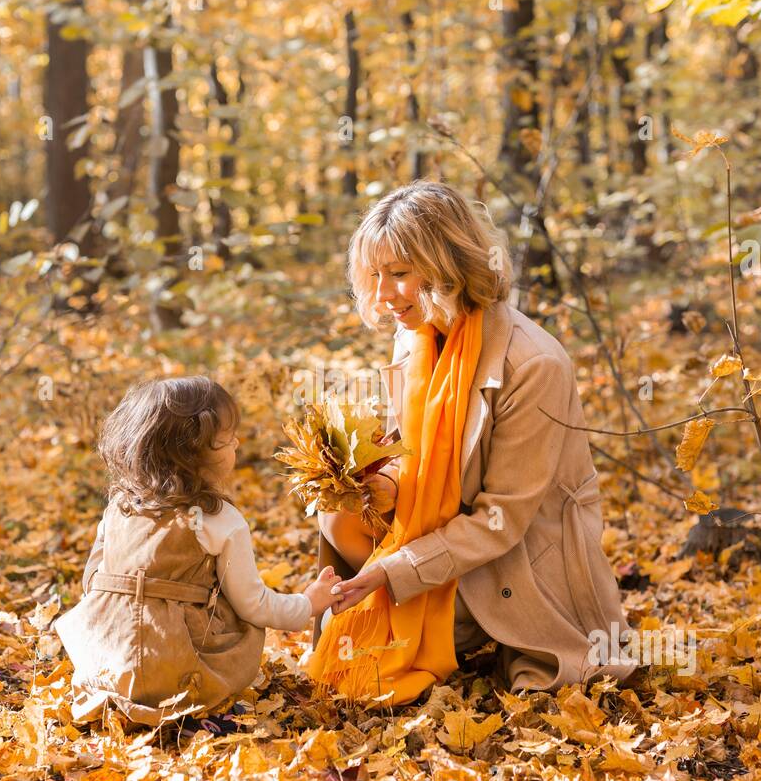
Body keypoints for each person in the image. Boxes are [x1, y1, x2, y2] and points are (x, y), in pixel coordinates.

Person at [308, 180, 637, 704]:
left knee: (379, 654)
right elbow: (414, 451)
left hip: (511, 559)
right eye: (374, 276)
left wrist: (393, 572)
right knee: (335, 515)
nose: (383, 295)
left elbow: (501, 518)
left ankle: (468, 629)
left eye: (399, 274)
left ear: (450, 266)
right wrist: (380, 482)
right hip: (438, 534)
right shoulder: (418, 331)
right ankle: (395, 614)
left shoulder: (534, 365)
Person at [56, 376, 341, 730]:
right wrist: (308, 604)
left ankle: (128, 699)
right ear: (190, 455)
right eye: (225, 440)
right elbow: (254, 603)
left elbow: (92, 584)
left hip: (108, 661)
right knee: (243, 622)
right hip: (178, 668)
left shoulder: (120, 508)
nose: (237, 442)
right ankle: (197, 704)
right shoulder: (220, 520)